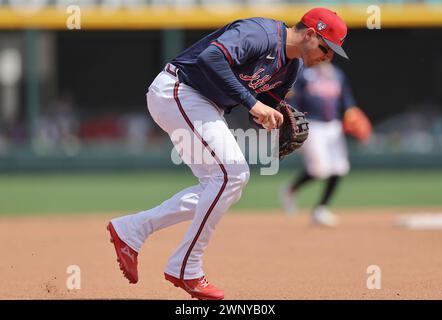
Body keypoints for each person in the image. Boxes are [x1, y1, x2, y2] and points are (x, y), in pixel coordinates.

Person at [107, 7, 349, 300]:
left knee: (221, 185)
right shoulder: (260, 34)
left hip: (203, 104)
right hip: (178, 90)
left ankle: (132, 229)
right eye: (326, 47)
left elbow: (260, 108)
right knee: (232, 175)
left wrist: (272, 117)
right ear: (310, 34)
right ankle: (187, 267)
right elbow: (211, 58)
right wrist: (254, 105)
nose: (328, 57)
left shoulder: (292, 68)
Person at [280, 61, 370, 227]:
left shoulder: (337, 73)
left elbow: (346, 98)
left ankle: (320, 210)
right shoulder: (304, 73)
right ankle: (290, 189)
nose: (325, 55)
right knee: (319, 170)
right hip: (313, 124)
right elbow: (294, 99)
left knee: (340, 168)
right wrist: (295, 121)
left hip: (334, 125)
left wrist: (350, 111)